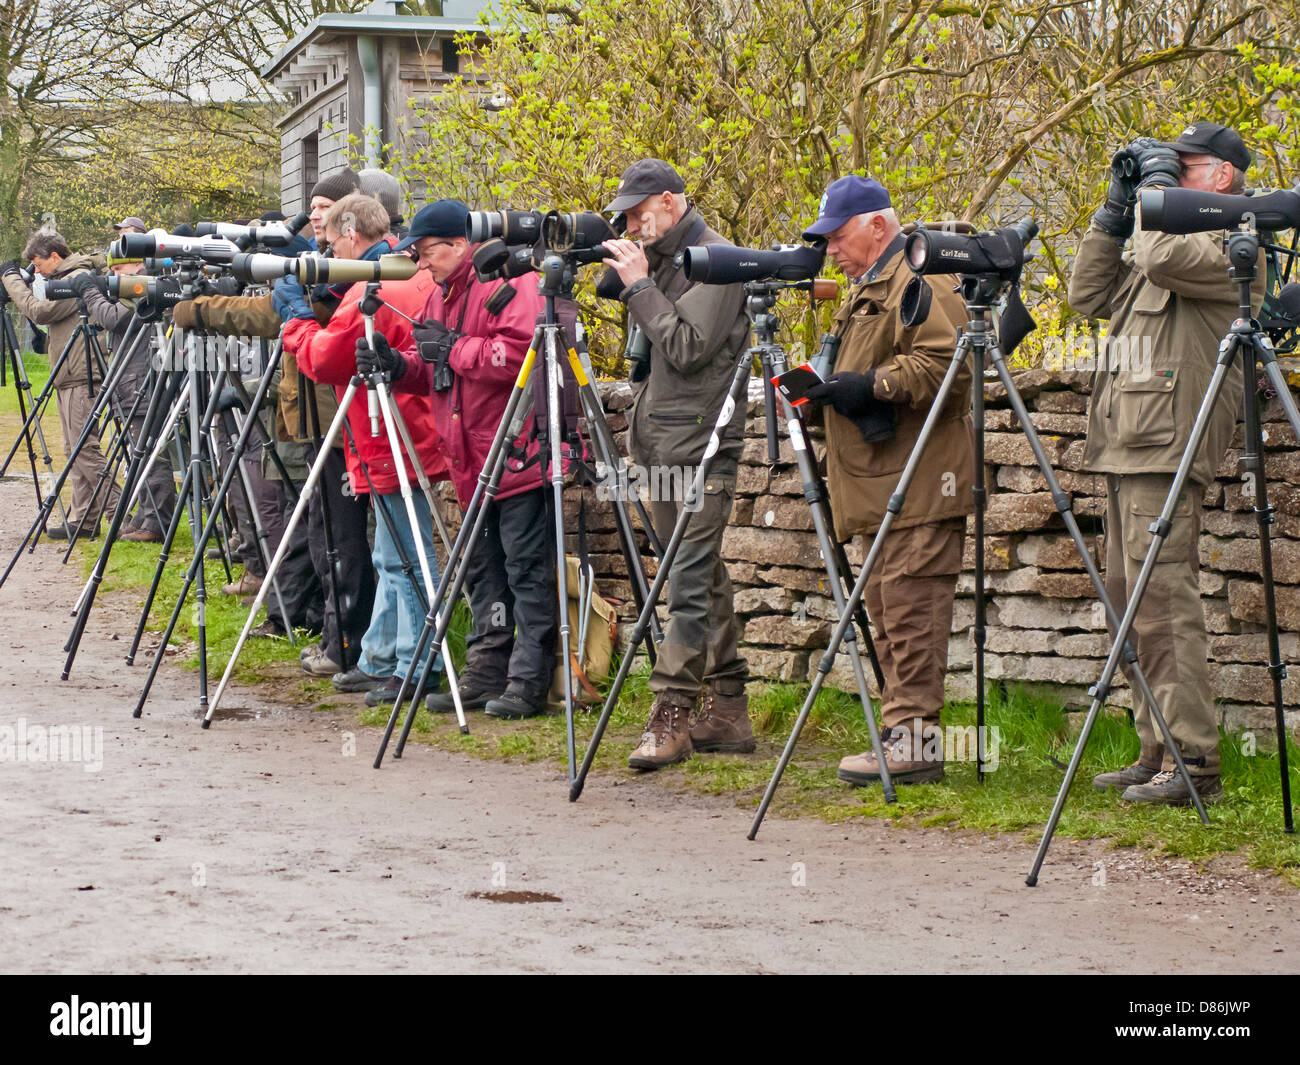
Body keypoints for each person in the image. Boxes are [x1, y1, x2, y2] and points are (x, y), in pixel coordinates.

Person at [1070, 122, 1265, 805]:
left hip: (1172, 444)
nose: (1170, 174)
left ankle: (1194, 759)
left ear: (1218, 177)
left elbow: (1155, 260)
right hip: (1128, 439)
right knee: (1128, 600)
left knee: (1163, 599)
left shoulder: (1231, 248)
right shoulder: (1163, 240)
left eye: (1183, 166)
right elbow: (1087, 295)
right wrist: (1116, 207)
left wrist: (1154, 196)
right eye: (1167, 166)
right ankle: (1156, 744)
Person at [801, 175, 973, 785]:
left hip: (920, 483)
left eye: (839, 236)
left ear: (879, 224)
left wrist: (868, 386)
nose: (832, 250)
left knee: (911, 613)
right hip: (878, 483)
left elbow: (948, 365)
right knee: (888, 613)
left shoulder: (922, 279)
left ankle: (916, 744)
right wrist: (823, 399)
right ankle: (902, 736)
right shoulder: (868, 285)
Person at [366, 199, 554, 719]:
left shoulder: (510, 284)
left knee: (525, 572)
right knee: (482, 572)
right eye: (418, 256)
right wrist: (398, 365)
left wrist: (451, 349)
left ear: (459, 244)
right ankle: (486, 671)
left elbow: (519, 354)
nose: (422, 265)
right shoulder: (442, 295)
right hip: (470, 459)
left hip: (517, 454)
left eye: (429, 254)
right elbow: (438, 368)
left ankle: (528, 679)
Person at [599, 158, 753, 768]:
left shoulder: (721, 261)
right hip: (661, 441)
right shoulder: (661, 258)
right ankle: (732, 708)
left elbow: (688, 347)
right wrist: (629, 275)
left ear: (670, 201)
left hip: (703, 446)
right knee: (700, 570)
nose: (634, 225)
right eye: (628, 217)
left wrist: (640, 285)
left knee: (684, 581)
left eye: (641, 213)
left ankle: (672, 713)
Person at [284, 193, 447, 707]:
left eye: (330, 243)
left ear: (352, 236)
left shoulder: (373, 287)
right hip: (401, 430)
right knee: (389, 551)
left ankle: (420, 662)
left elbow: (327, 357)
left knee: (408, 555)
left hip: (391, 434)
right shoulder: (409, 273)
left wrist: (294, 320)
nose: (327, 253)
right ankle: (380, 655)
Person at [1, 232, 121, 539]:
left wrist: (12, 280)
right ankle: (85, 519)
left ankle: (121, 513)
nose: (36, 270)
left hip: (83, 374)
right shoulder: (68, 275)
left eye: (37, 263)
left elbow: (40, 311)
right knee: (74, 450)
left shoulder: (78, 278)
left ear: (54, 256)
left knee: (85, 450)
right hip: (70, 374)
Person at [74, 254, 178, 542]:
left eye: (118, 269)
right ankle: (145, 516)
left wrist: (90, 291)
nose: (115, 275)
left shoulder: (143, 285)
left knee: (151, 456)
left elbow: (112, 319)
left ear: (135, 265)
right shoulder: (138, 283)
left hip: (142, 380)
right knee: (137, 453)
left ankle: (157, 523)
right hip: (133, 379)